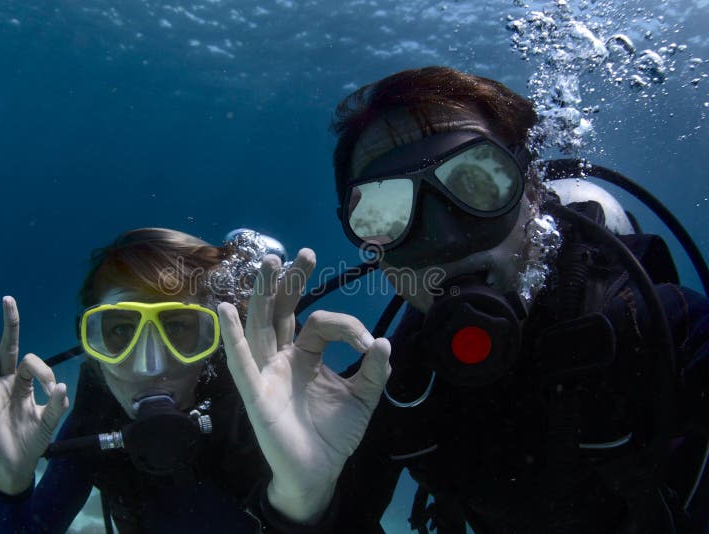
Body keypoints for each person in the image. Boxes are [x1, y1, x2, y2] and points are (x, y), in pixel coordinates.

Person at [275, 66, 709, 533]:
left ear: (533, 192)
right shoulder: (392, 389)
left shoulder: (649, 326)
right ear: (374, 254)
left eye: (476, 184)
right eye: (387, 211)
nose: (444, 237)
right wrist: (304, 502)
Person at [0, 227, 392, 532]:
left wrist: (307, 501)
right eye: (119, 331)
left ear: (218, 339)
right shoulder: (98, 418)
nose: (149, 366)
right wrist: (12, 479)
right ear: (89, 343)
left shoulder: (267, 415)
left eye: (181, 328)